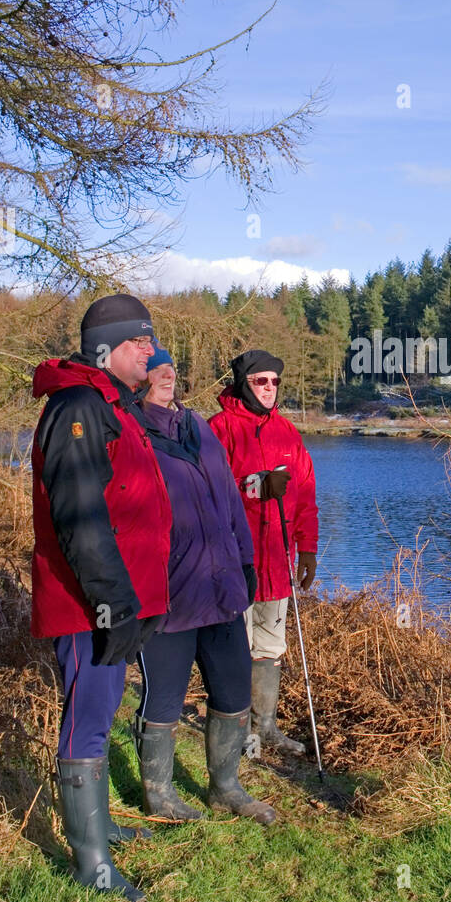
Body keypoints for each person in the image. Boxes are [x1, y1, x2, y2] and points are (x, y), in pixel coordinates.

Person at [31, 294, 172, 902]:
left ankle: (102, 827)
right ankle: (92, 867)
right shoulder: (78, 407)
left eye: (150, 339)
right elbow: (81, 519)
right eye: (139, 341)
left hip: (114, 601)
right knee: (87, 722)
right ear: (104, 349)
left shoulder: (113, 405)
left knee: (104, 706)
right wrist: (113, 602)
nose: (151, 348)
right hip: (88, 603)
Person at [133, 346, 275, 826]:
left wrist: (246, 560)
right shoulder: (129, 431)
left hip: (221, 588)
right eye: (156, 370)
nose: (167, 375)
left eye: (171, 368)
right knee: (163, 700)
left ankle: (226, 788)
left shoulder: (196, 427)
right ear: (136, 378)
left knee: (233, 693)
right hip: (168, 595)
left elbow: (230, 499)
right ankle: (160, 796)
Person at [209, 350, 318, 758]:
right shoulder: (218, 429)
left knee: (271, 645)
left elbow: (306, 497)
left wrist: (307, 549)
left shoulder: (288, 433)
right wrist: (251, 487)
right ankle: (233, 735)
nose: (270, 389)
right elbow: (206, 495)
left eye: (275, 382)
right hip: (233, 562)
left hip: (278, 561)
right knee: (236, 646)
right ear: (243, 384)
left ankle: (265, 728)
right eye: (261, 382)